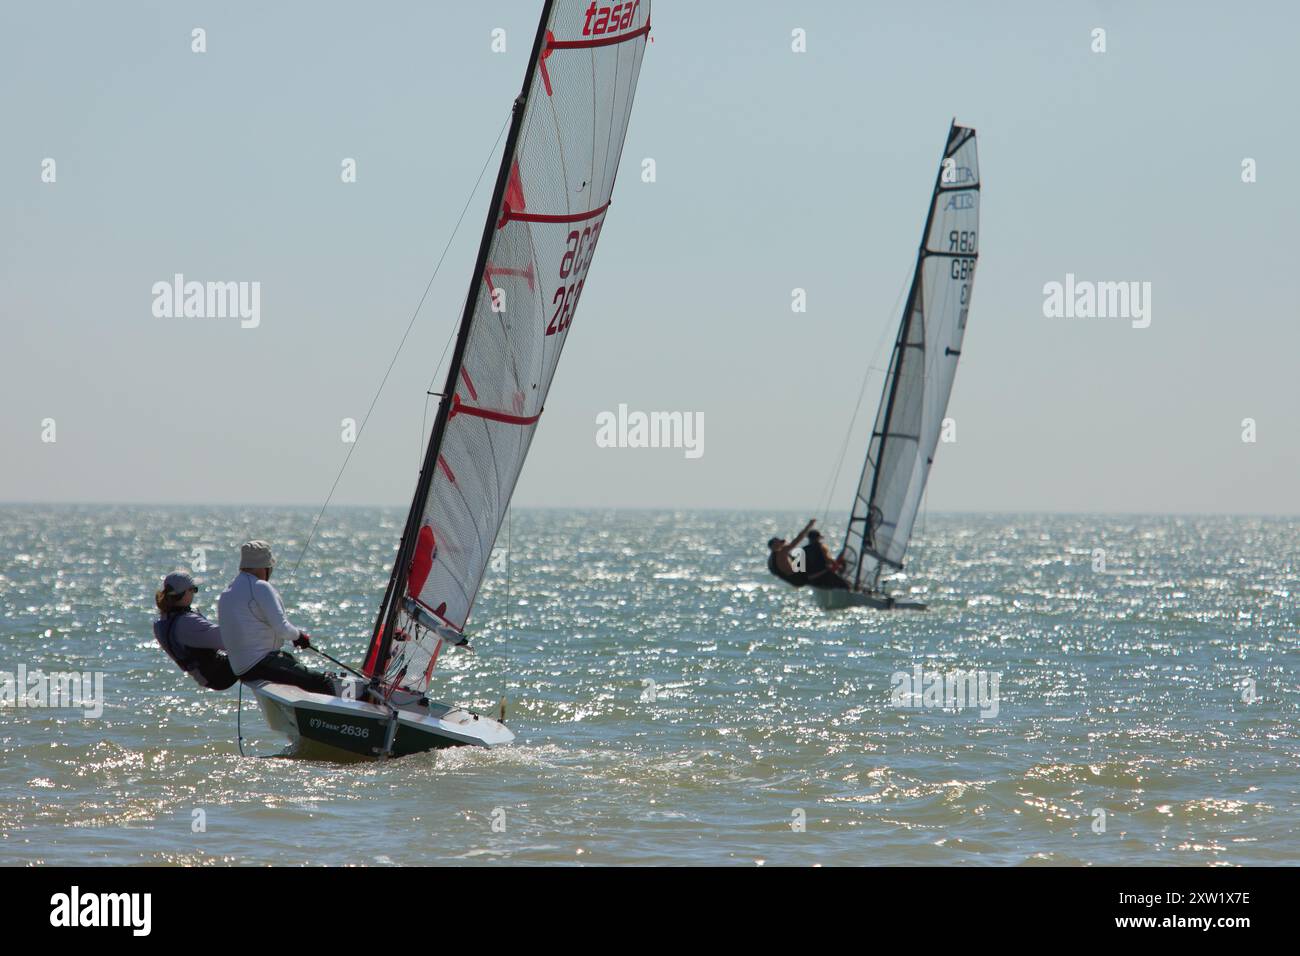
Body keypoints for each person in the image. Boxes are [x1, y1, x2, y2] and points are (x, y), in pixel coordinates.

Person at [216, 540, 335, 695]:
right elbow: (282, 629)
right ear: (265, 567)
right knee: (322, 681)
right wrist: (299, 636)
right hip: (259, 664)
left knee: (289, 659)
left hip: (240, 668)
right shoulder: (260, 586)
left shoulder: (228, 591)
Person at [152, 570, 238, 690]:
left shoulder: (161, 623)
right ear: (183, 593)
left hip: (204, 676)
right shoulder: (186, 623)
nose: (194, 593)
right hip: (219, 675)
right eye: (193, 589)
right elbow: (228, 641)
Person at [767, 518, 817, 587]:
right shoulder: (782, 552)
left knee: (796, 557)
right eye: (778, 542)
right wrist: (810, 525)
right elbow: (799, 538)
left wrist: (782, 544)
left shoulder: (772, 558)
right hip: (800, 579)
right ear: (774, 546)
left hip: (794, 581)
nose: (781, 542)